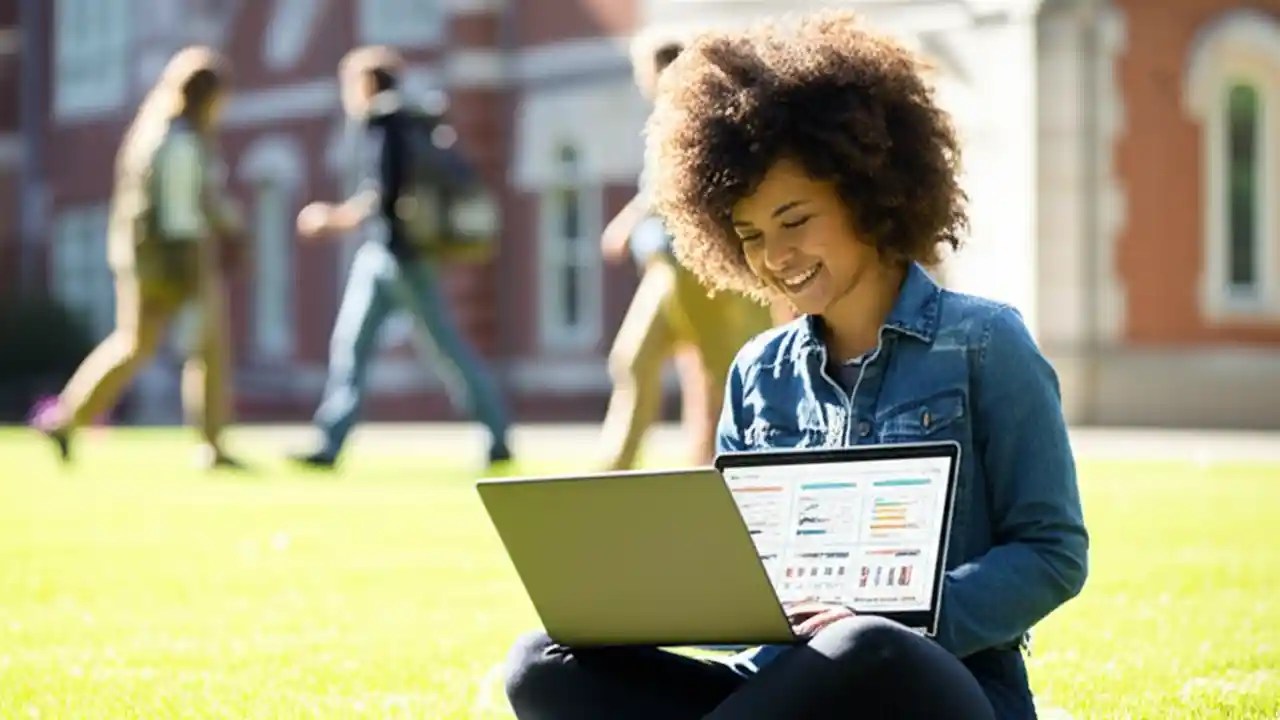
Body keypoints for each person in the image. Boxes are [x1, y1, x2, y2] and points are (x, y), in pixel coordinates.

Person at [502, 11, 1088, 719]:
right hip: (773, 685)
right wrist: (660, 595)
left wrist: (912, 614)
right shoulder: (758, 373)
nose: (774, 256)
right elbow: (743, 581)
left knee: (865, 640)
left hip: (924, 677)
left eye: (795, 219)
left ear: (866, 191)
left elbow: (1052, 552)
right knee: (541, 660)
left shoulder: (988, 344)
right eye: (748, 234)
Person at [290, 46, 513, 470]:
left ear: (366, 84)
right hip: (389, 255)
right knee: (354, 348)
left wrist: (332, 220)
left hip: (400, 258)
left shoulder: (386, 125)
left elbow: (383, 197)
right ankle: (330, 441)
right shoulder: (411, 124)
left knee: (442, 349)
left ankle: (498, 434)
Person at [31, 46, 246, 470]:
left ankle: (67, 418)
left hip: (140, 260)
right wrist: (215, 245)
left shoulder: (151, 134)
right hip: (178, 259)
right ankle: (213, 444)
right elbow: (184, 213)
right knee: (210, 350)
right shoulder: (183, 143)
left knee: (133, 346)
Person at [597, 37, 772, 470]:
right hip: (666, 269)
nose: (644, 82)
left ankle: (745, 462)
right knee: (633, 359)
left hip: (698, 269)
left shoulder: (698, 119)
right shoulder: (662, 121)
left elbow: (673, 189)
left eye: (647, 72)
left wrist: (627, 221)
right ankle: (613, 469)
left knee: (723, 370)